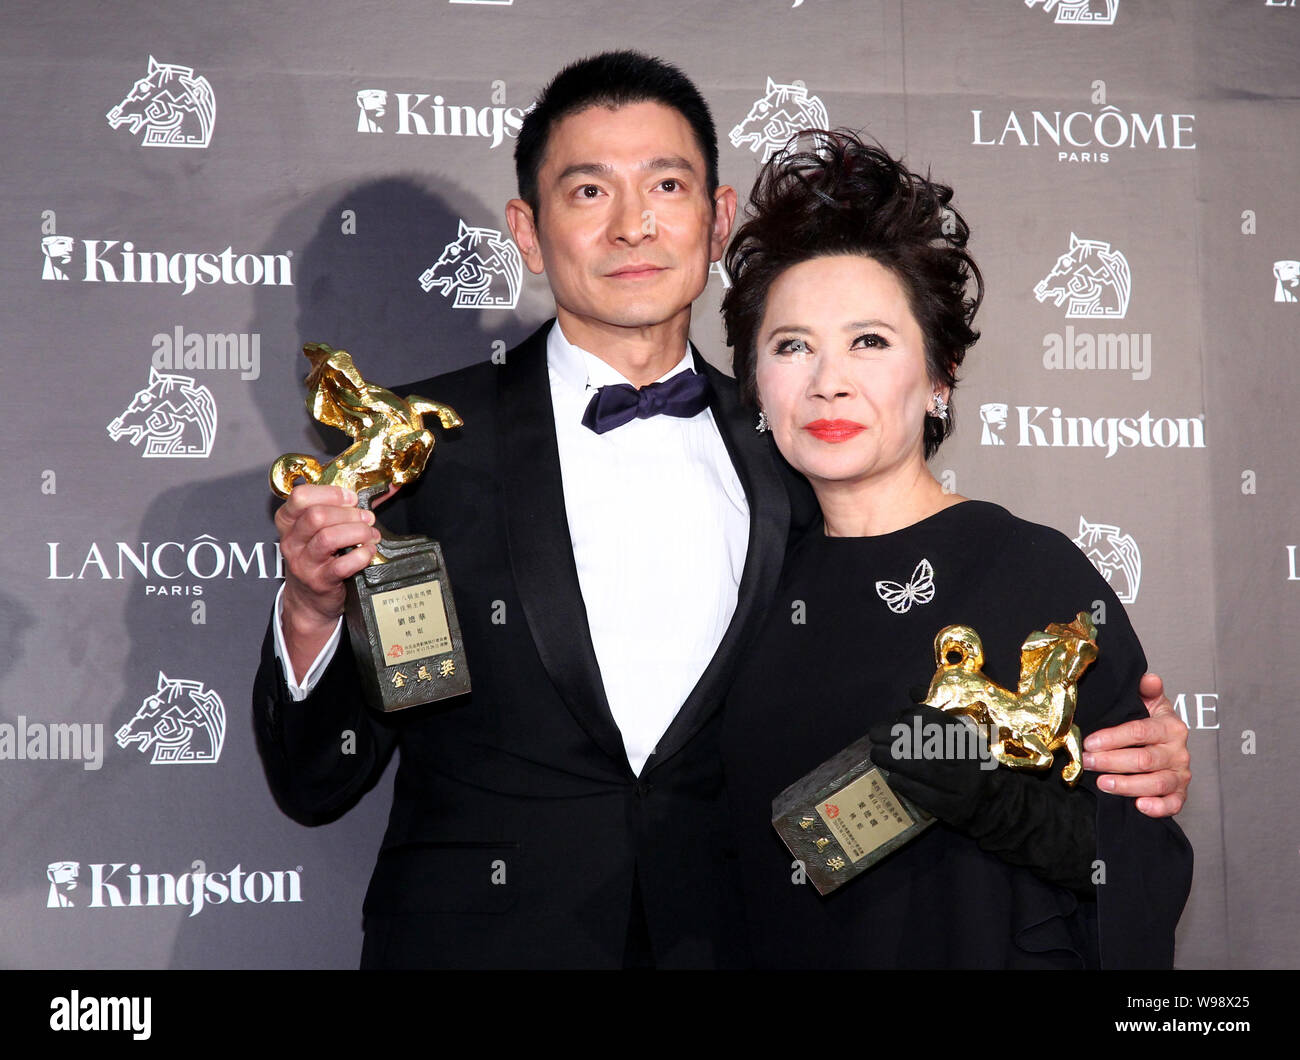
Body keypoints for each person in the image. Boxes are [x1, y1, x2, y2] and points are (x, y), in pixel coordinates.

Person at [253, 52, 1190, 969]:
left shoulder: (798, 453)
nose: (631, 226)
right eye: (588, 192)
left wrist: (1117, 763)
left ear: (715, 220)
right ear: (528, 232)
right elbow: (316, 780)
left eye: (666, 186)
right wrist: (311, 613)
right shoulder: (420, 449)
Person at [718, 130, 1193, 968]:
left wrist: (1006, 806)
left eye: (870, 341)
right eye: (792, 346)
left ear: (940, 377)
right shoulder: (738, 582)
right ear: (755, 383)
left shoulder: (1033, 575)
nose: (829, 379)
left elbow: (1139, 862)